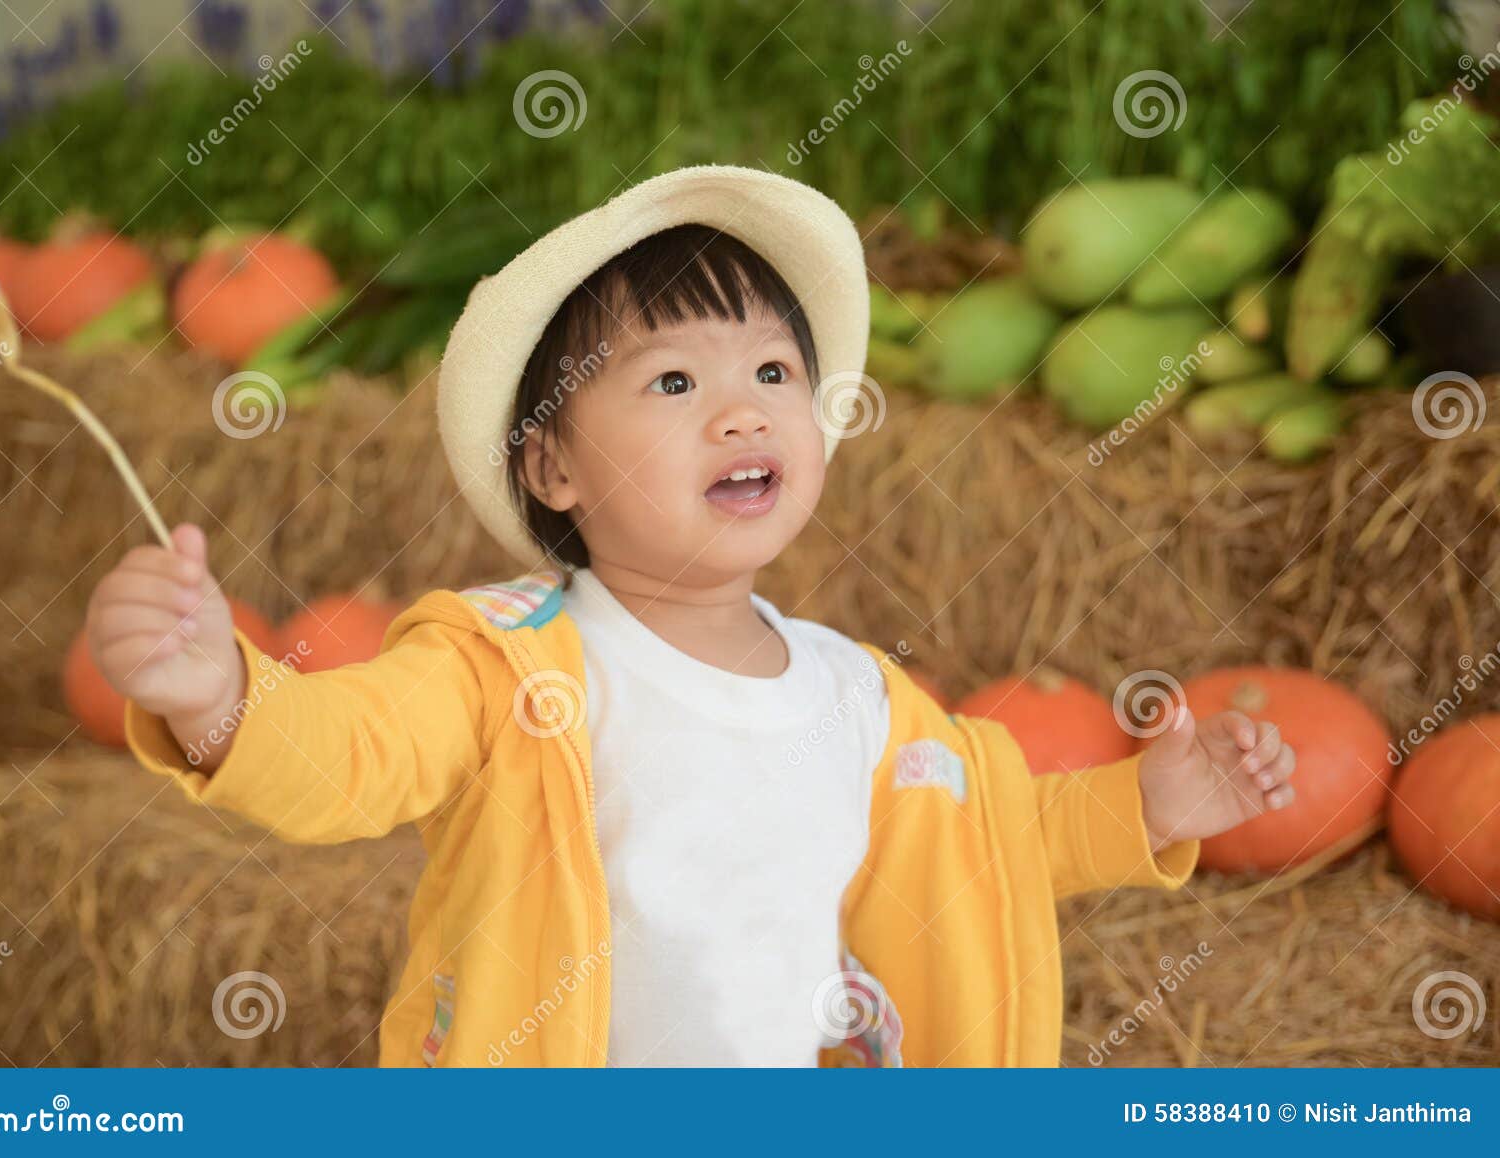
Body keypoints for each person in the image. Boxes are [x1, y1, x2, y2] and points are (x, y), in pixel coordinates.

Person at [90, 165, 1296, 1067]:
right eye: (674, 381)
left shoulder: (859, 692)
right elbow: (352, 757)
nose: (742, 412)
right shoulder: (503, 659)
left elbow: (978, 843)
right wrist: (217, 692)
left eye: (773, 374)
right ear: (552, 467)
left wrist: (1146, 803)